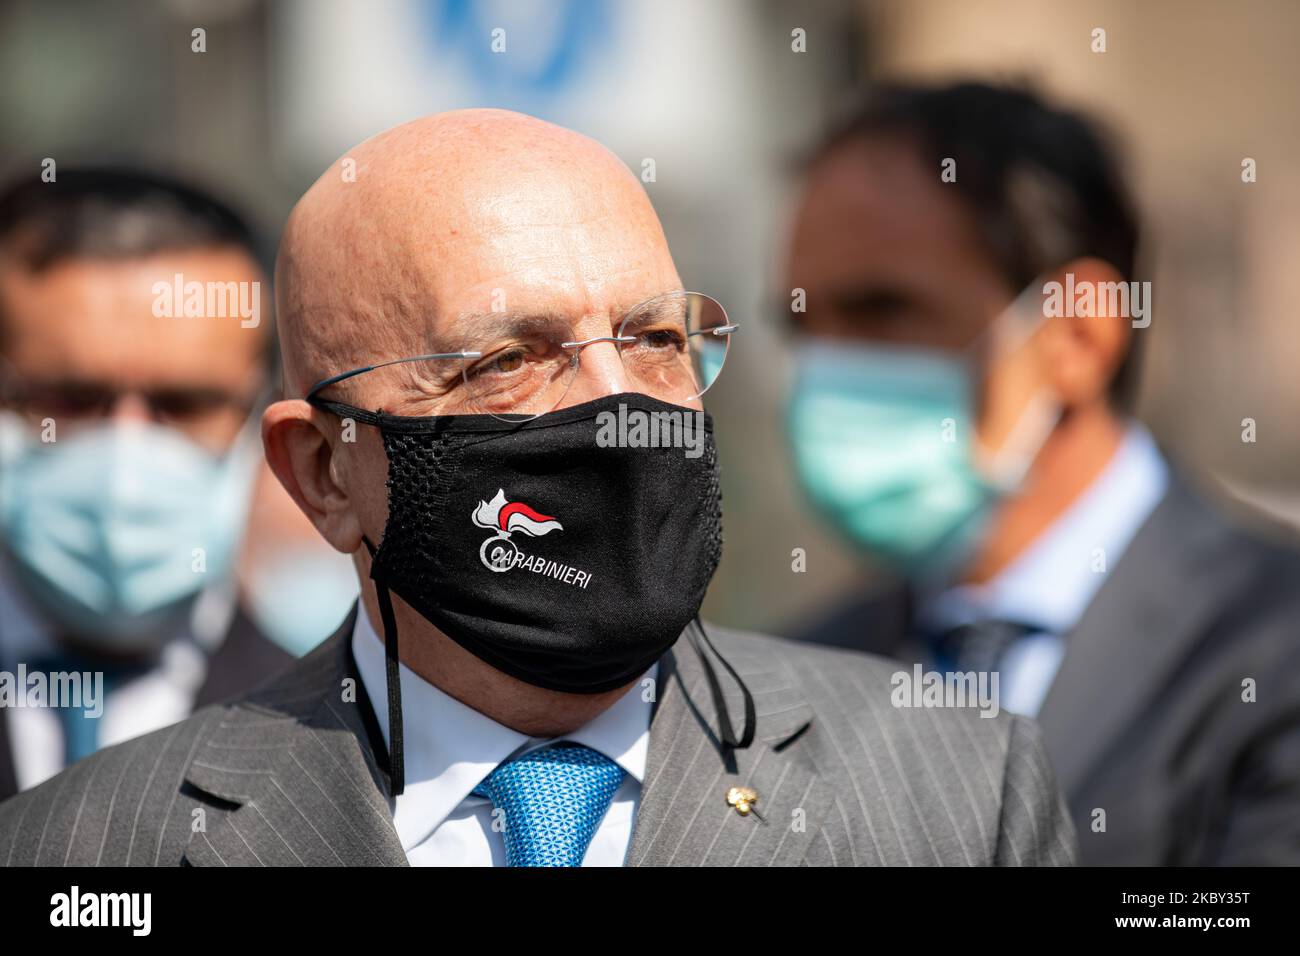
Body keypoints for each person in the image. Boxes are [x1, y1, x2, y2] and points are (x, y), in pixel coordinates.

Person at [0, 110, 1075, 867]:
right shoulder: (80, 846)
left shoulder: (960, 789)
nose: (617, 409)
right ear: (326, 471)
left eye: (656, 339)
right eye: (511, 357)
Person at [784, 81, 1300, 865]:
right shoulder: (796, 678)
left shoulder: (1275, 646)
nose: (829, 370)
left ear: (1078, 337)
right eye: (802, 326)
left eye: (883, 310)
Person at [0, 168, 292, 800]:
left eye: (183, 405)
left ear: (263, 418)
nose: (127, 459)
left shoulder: (348, 745)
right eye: (69, 400)